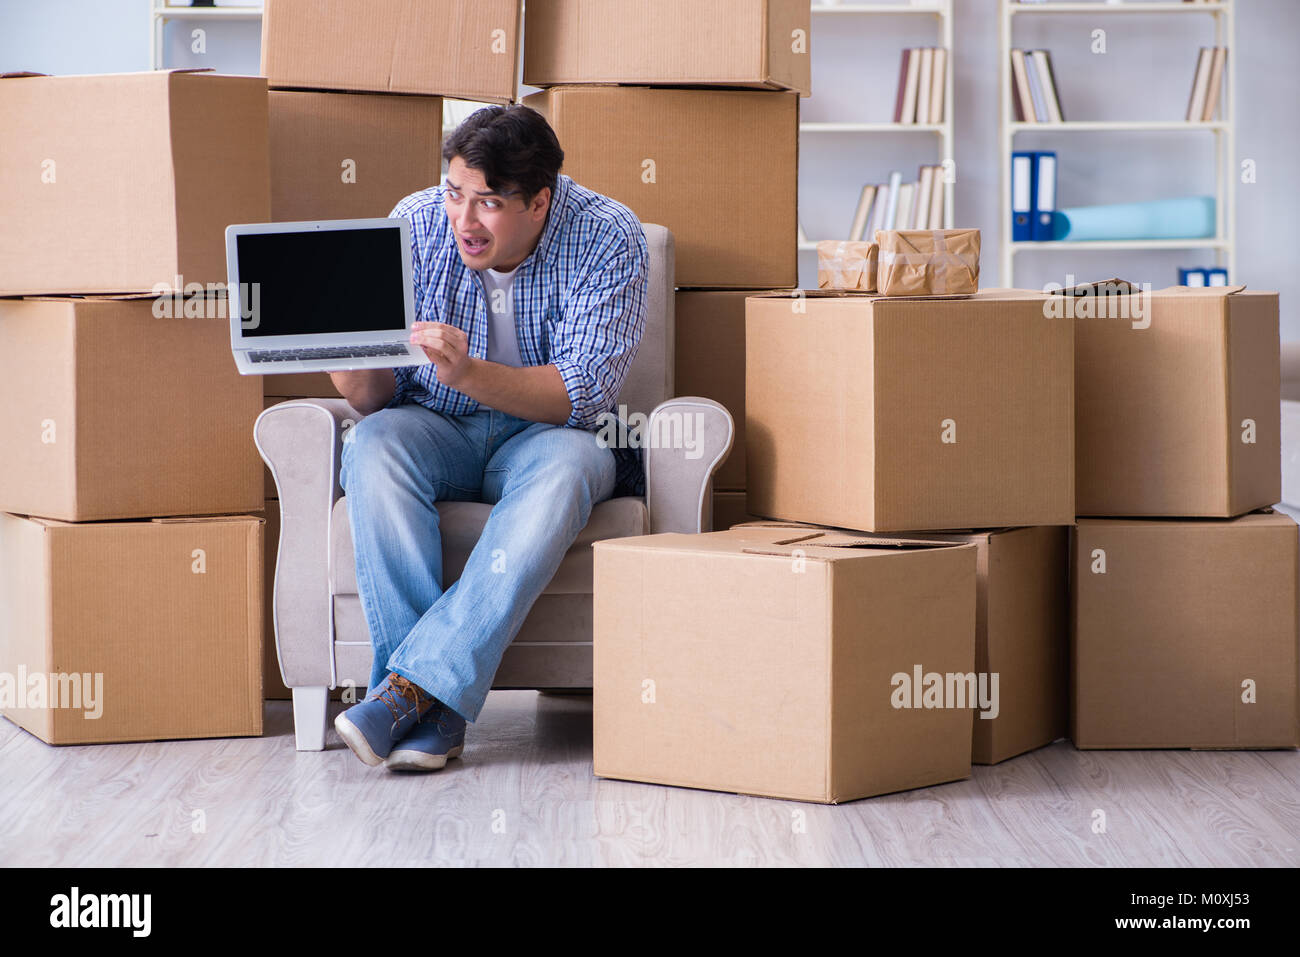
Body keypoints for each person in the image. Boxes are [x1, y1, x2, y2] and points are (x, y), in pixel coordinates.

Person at [329, 105, 648, 773]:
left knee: (567, 470)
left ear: (539, 202)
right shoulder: (416, 222)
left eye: (489, 203)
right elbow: (376, 397)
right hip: (435, 424)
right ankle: (430, 711)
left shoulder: (608, 235)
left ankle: (406, 696)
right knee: (371, 444)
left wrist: (468, 372)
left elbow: (581, 392)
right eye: (455, 193)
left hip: (551, 435)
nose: (464, 220)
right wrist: (350, 361)